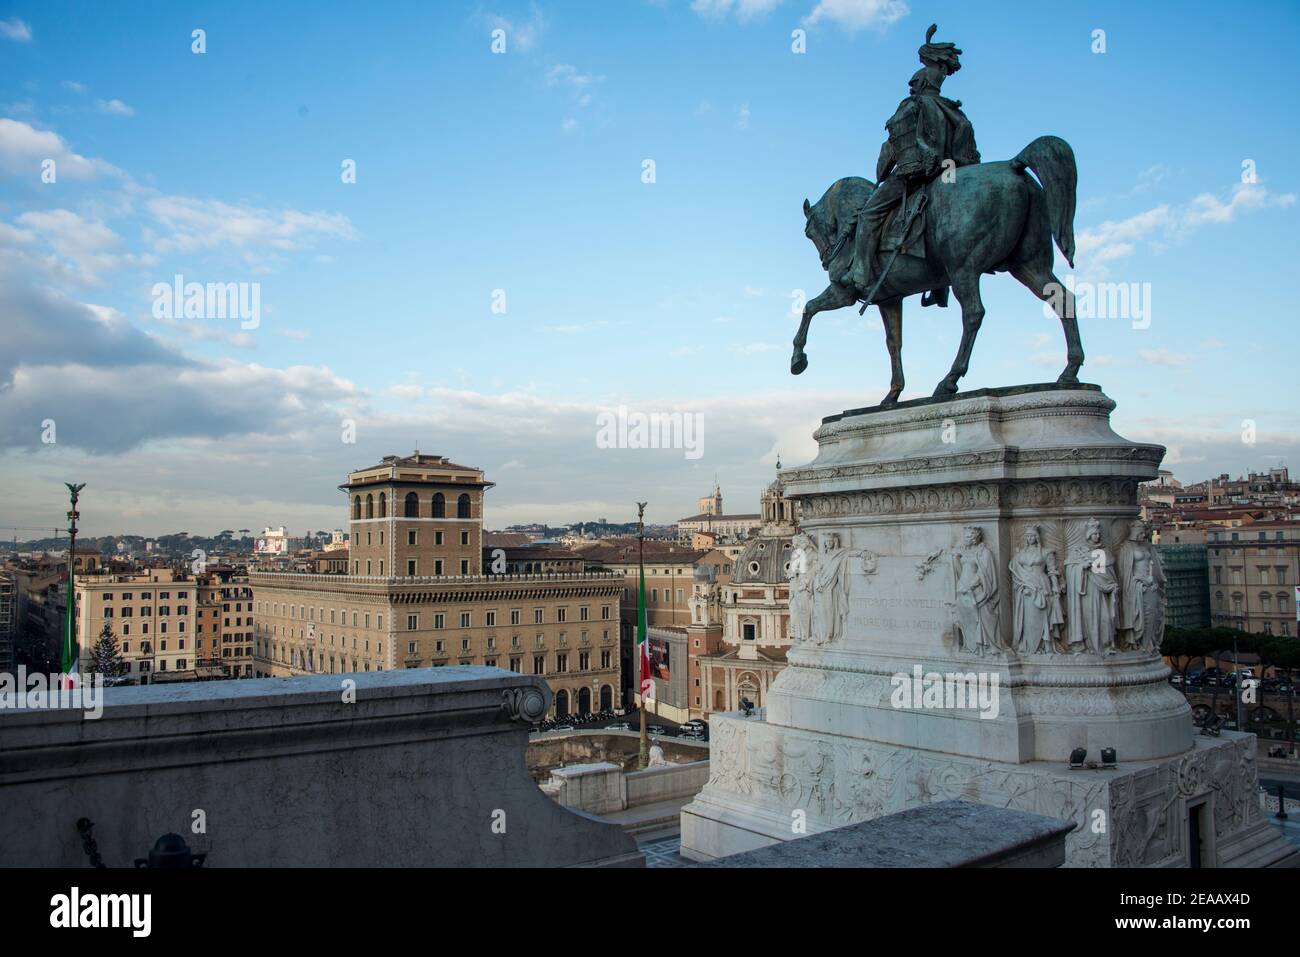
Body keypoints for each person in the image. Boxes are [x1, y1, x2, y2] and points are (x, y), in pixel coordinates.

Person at [845, 24, 981, 292]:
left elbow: (891, 153)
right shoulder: (954, 111)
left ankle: (859, 273)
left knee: (869, 214)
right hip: (949, 173)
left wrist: (882, 171)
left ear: (918, 85)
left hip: (916, 175)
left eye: (912, 86)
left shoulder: (912, 106)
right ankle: (938, 289)